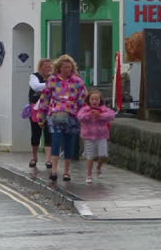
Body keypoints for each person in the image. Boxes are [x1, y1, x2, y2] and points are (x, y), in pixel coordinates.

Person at [36, 54, 87, 183]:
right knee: (56, 140)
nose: (66, 69)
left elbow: (82, 100)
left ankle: (66, 172)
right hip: (55, 115)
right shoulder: (52, 80)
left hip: (71, 116)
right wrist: (41, 118)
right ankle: (54, 171)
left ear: (72, 68)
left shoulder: (78, 82)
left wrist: (82, 116)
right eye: (64, 67)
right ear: (59, 68)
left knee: (69, 143)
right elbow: (44, 99)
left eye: (69, 67)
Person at [77, 89, 116, 183]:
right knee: (90, 156)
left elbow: (112, 115)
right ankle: (89, 175)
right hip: (89, 136)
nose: (94, 101)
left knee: (102, 154)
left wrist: (101, 115)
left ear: (100, 100)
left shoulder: (104, 109)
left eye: (97, 99)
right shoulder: (85, 109)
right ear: (89, 100)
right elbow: (79, 117)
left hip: (102, 135)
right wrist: (88, 115)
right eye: (92, 99)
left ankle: (98, 167)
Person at [28, 58, 54, 169]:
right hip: (36, 109)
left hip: (50, 109)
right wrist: (51, 84)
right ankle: (34, 157)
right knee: (35, 134)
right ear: (41, 67)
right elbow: (36, 87)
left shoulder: (54, 78)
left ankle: (48, 160)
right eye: (46, 66)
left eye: (50, 66)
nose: (48, 69)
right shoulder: (34, 76)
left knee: (49, 133)